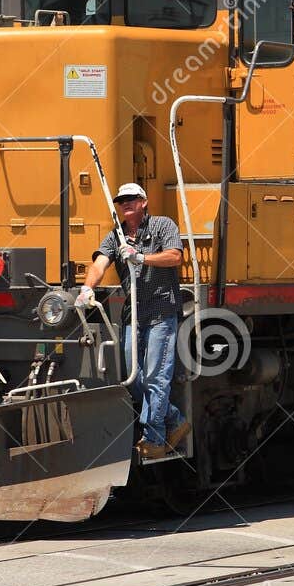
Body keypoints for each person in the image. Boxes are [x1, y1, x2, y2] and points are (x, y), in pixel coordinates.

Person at [76, 183, 190, 459]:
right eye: (121, 200)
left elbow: (175, 256)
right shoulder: (115, 236)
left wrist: (141, 257)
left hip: (161, 311)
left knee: (155, 377)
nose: (125, 203)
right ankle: (175, 420)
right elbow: (100, 263)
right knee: (134, 379)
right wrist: (87, 288)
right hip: (133, 315)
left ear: (144, 201)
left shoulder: (163, 225)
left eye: (131, 198)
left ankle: (154, 439)